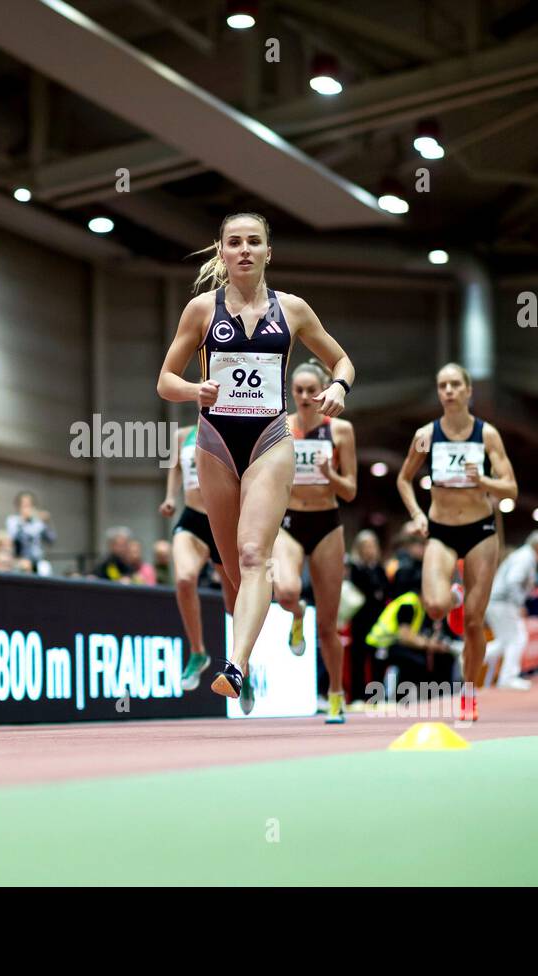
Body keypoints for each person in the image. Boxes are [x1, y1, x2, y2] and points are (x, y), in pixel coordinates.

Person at [158, 212, 354, 712]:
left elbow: (342, 360)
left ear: (269, 251)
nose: (244, 249)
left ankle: (235, 663)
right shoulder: (202, 310)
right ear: (221, 252)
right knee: (231, 568)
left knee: (252, 556)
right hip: (215, 441)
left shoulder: (293, 310)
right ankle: (241, 667)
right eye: (234, 242)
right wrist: (191, 389)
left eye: (254, 242)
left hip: (270, 437)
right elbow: (165, 380)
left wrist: (338, 387)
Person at [396, 363, 517, 722]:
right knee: (434, 606)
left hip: (480, 530)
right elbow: (404, 480)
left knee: (474, 624)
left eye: (455, 385)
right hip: (441, 529)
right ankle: (455, 595)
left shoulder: (487, 435)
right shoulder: (426, 435)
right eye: (442, 385)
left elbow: (510, 487)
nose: (448, 391)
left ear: (468, 391)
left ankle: (468, 692)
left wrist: (484, 480)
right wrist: (417, 514)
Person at [269, 361, 357, 723]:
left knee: (329, 625)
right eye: (298, 391)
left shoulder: (340, 430)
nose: (305, 397)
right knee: (286, 591)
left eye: (311, 390)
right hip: (289, 520)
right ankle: (296, 614)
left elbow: (350, 491)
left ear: (323, 390)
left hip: (326, 522)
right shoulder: (279, 427)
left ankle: (336, 692)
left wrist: (329, 474)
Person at [160, 421, 238, 691]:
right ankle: (197, 652)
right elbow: (174, 468)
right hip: (192, 518)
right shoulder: (182, 436)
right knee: (183, 579)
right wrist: (170, 497)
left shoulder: (231, 430)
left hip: (224, 521)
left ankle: (240, 666)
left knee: (233, 605)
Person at [484, 530, 538, 690]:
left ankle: (472, 657)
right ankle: (508, 678)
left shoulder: (525, 556)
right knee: (516, 638)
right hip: (503, 603)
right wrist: (520, 603)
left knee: (507, 640)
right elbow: (513, 581)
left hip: (500, 602)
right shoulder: (525, 557)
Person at [346, 530, 388, 706]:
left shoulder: (379, 568)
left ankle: (376, 695)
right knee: (359, 657)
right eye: (366, 546)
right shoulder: (355, 568)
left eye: (372, 546)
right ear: (359, 549)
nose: (370, 550)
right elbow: (362, 589)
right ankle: (357, 696)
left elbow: (385, 590)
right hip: (360, 619)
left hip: (378, 619)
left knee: (378, 658)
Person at [6, 492, 56, 576]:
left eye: (30, 505)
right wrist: (23, 521)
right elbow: (12, 539)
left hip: (38, 561)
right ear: (18, 506)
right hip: (20, 560)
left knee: (45, 569)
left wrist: (47, 523)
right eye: (24, 505)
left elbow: (51, 539)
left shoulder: (38, 522)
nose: (27, 508)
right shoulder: (13, 520)